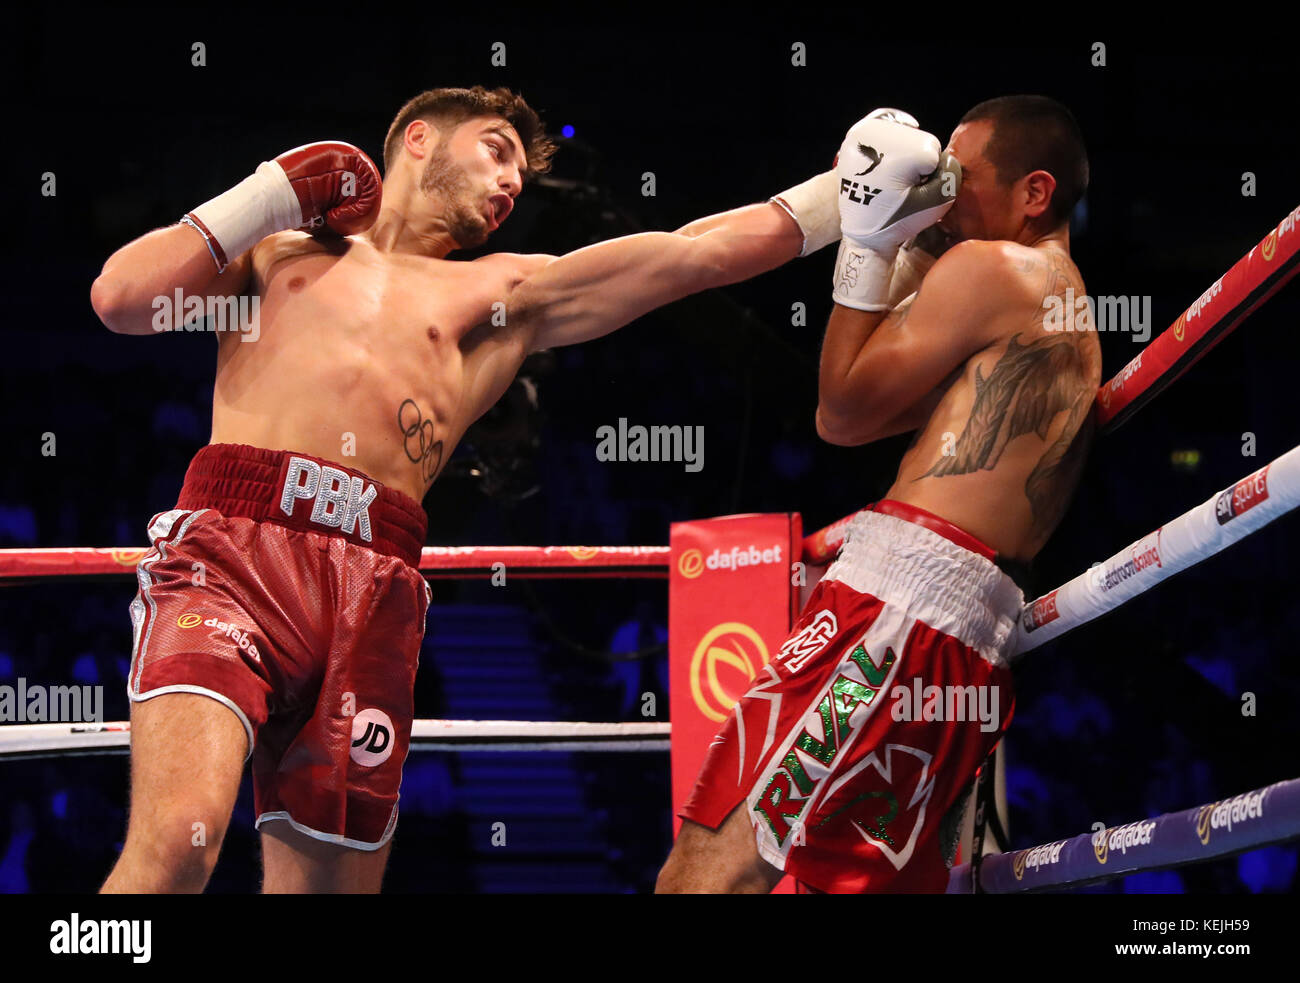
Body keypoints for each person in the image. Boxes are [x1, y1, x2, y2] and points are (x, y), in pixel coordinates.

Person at [90, 85, 848, 893]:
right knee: (176, 846)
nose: (511, 183)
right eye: (496, 150)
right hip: (234, 552)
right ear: (418, 140)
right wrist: (271, 187)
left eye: (521, 173)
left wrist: (846, 194)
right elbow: (120, 298)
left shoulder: (508, 294)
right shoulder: (279, 248)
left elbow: (695, 252)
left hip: (373, 581)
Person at [659, 95, 1101, 893]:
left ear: (1035, 193)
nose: (939, 189)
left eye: (959, 176)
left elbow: (841, 411)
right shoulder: (1057, 301)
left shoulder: (995, 267)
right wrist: (920, 237)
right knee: (848, 881)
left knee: (707, 869)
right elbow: (871, 420)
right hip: (957, 628)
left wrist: (868, 241)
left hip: (897, 607)